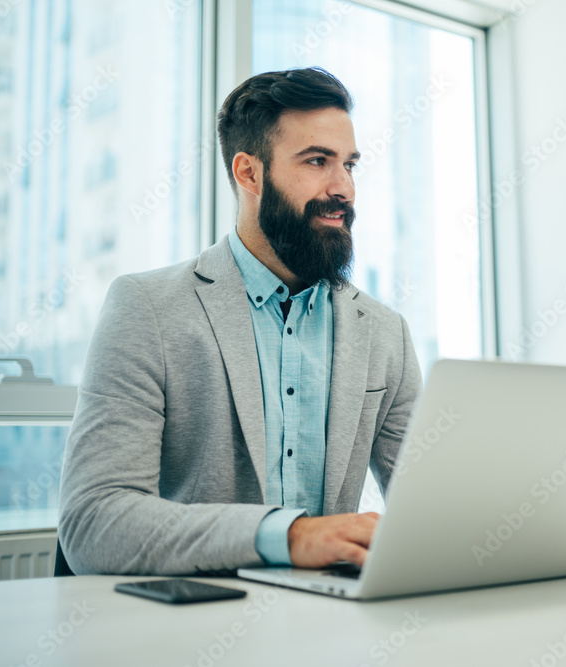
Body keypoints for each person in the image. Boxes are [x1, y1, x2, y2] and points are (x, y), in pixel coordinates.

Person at [58, 68, 422, 575]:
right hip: (193, 630)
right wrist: (290, 536)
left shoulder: (385, 334)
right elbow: (94, 523)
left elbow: (431, 512)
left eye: (350, 164)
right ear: (249, 173)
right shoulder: (146, 308)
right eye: (317, 161)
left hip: (333, 629)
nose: (343, 188)